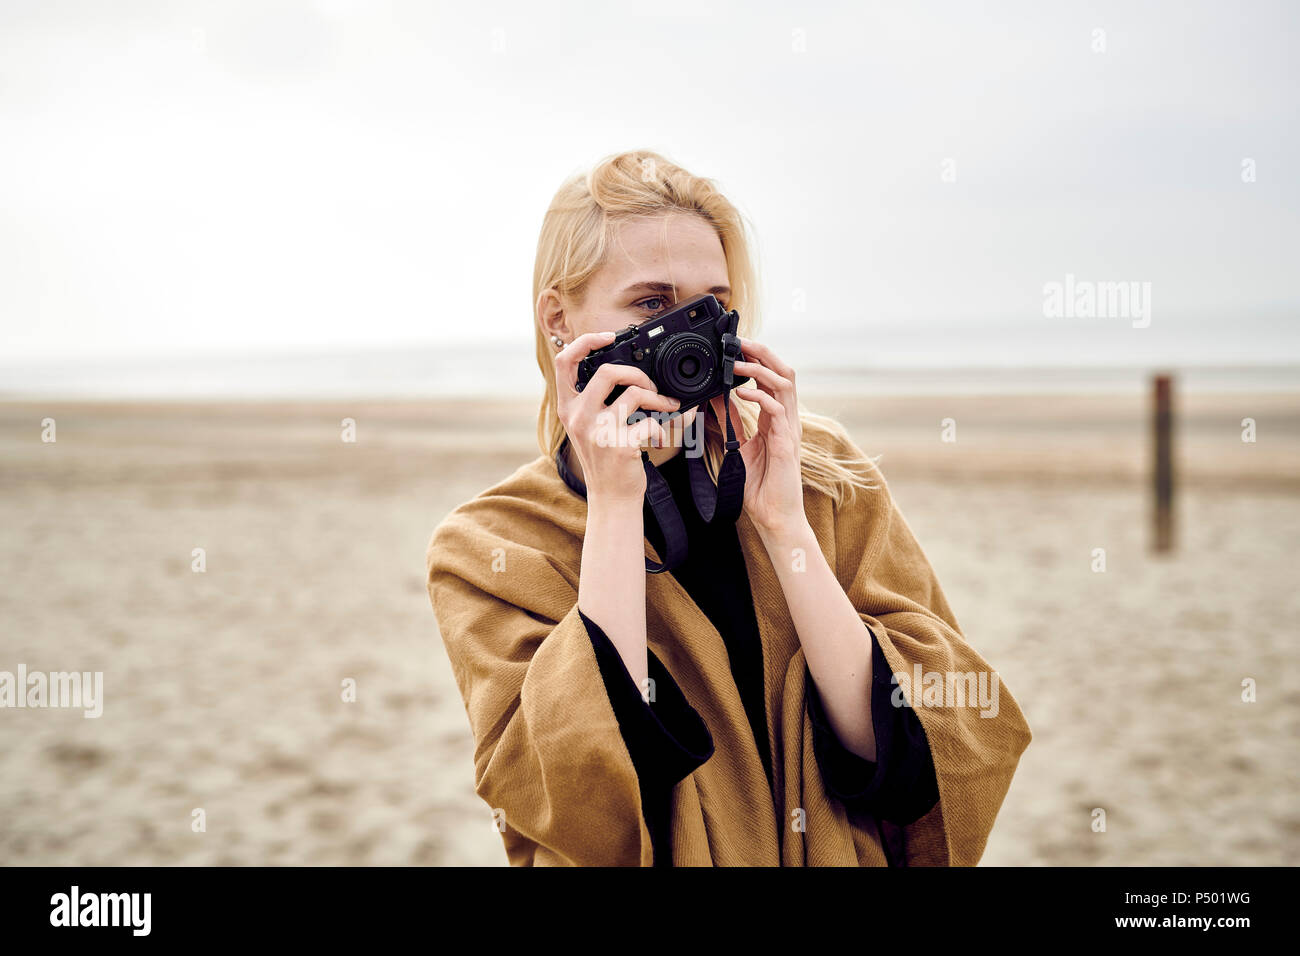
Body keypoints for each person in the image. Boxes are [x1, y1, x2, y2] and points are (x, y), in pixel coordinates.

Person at [425, 149, 1032, 866]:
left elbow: (916, 764)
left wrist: (785, 525)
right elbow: (580, 804)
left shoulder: (821, 472)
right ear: (559, 318)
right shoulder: (491, 545)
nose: (687, 333)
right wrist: (616, 510)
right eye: (652, 304)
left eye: (710, 304)